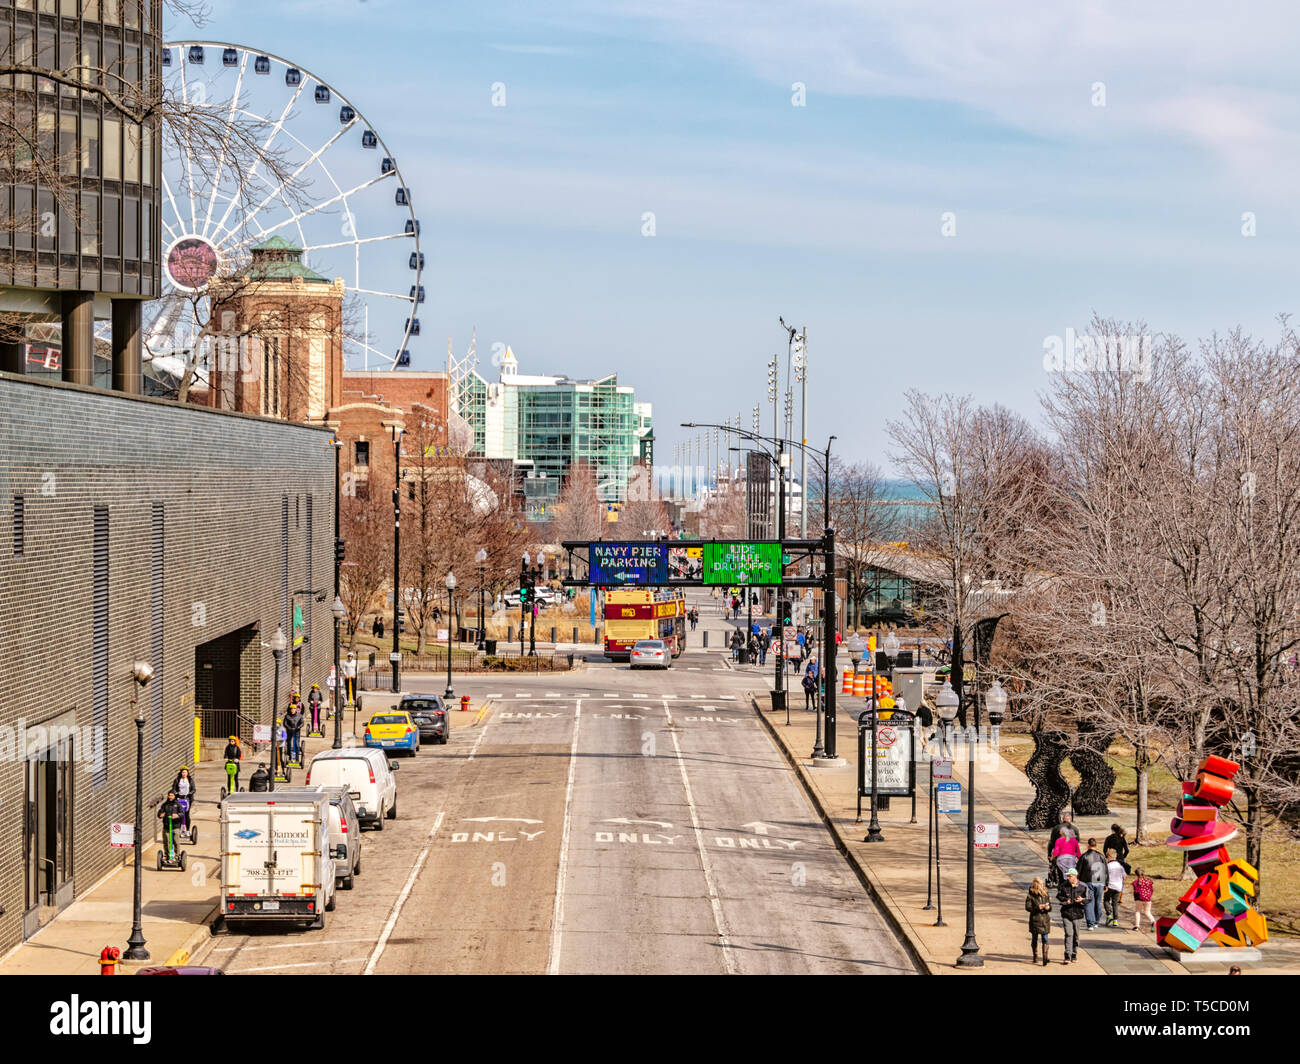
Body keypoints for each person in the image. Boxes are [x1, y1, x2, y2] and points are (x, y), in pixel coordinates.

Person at [1057, 869, 1089, 963]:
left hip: (1078, 914)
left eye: (1070, 876)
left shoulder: (1083, 887)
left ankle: (1074, 953)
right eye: (1067, 876)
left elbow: (1088, 899)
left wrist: (1081, 900)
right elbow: (1059, 897)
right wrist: (1065, 901)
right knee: (1068, 934)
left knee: (1076, 935)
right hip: (1066, 913)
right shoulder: (1063, 886)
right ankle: (1067, 954)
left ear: (1075, 876)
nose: (1068, 878)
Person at [1077, 838, 1108, 929]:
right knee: (1098, 902)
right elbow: (1106, 870)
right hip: (1100, 881)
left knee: (1089, 902)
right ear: (1096, 845)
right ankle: (1096, 921)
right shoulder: (1101, 856)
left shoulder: (1084, 856)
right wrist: (1106, 883)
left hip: (1088, 880)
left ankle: (1090, 922)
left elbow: (1078, 870)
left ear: (1088, 845)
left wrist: (1078, 881)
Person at [1025, 877, 1053, 966]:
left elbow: (1049, 905)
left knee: (1045, 938)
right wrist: (1038, 907)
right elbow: (1028, 907)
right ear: (1036, 885)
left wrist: (1048, 908)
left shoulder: (1046, 893)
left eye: (1042, 884)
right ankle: (1035, 955)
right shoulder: (1031, 894)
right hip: (1035, 919)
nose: (1042, 885)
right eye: (1040, 884)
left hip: (1045, 919)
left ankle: (1045, 957)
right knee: (1034, 938)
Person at [157, 791, 183, 859]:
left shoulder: (178, 805)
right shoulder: (165, 804)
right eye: (169, 795)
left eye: (172, 795)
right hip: (166, 826)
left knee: (176, 842)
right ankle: (168, 856)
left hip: (175, 826)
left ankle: (177, 856)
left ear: (174, 796)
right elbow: (160, 812)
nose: (170, 797)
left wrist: (177, 815)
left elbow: (182, 813)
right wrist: (160, 815)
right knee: (166, 842)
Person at [1104, 848, 1126, 927]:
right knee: (1115, 903)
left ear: (1109, 857)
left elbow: (1104, 876)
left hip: (1110, 886)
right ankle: (1115, 921)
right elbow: (1124, 876)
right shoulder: (1120, 866)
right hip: (1118, 887)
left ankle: (1109, 914)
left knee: (1106, 900)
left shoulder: (1108, 866)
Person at [172, 767, 196, 832]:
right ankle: (179, 830)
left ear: (187, 773)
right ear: (181, 773)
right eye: (183, 772)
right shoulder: (177, 780)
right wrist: (176, 793)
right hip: (179, 799)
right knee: (179, 814)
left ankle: (187, 830)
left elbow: (193, 789)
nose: (184, 774)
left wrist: (190, 793)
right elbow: (173, 788)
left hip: (187, 799)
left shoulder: (190, 780)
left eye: (185, 772)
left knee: (186, 814)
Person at [1131, 867, 1155, 934]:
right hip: (1147, 899)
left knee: (1138, 911)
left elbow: (1135, 891)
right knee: (1147, 912)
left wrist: (1135, 898)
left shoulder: (1136, 882)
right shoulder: (1149, 881)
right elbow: (1151, 889)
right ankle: (1153, 921)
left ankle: (1137, 926)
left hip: (1139, 899)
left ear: (1136, 875)